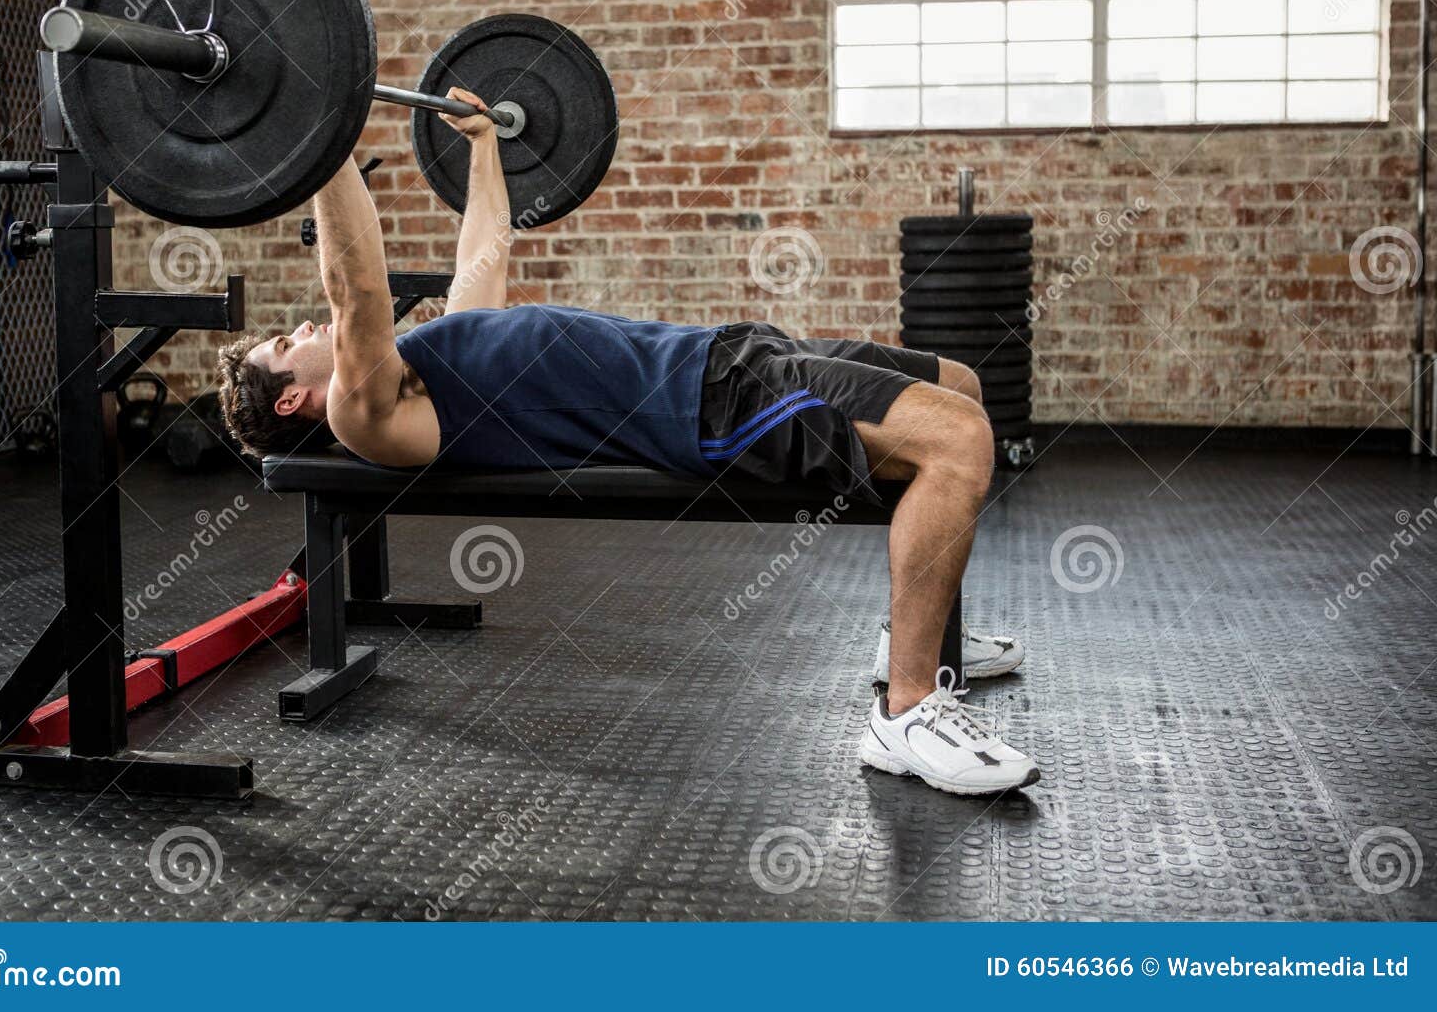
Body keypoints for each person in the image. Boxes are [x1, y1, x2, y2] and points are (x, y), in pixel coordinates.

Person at [217, 89, 1037, 795]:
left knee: (959, 385)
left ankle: (914, 627)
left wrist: (484, 150)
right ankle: (904, 709)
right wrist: (324, 140)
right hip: (701, 407)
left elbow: (480, 258)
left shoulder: (426, 359)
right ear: (294, 397)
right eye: (284, 345)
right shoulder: (364, 411)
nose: (301, 327)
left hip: (724, 354)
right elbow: (355, 286)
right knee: (957, 441)